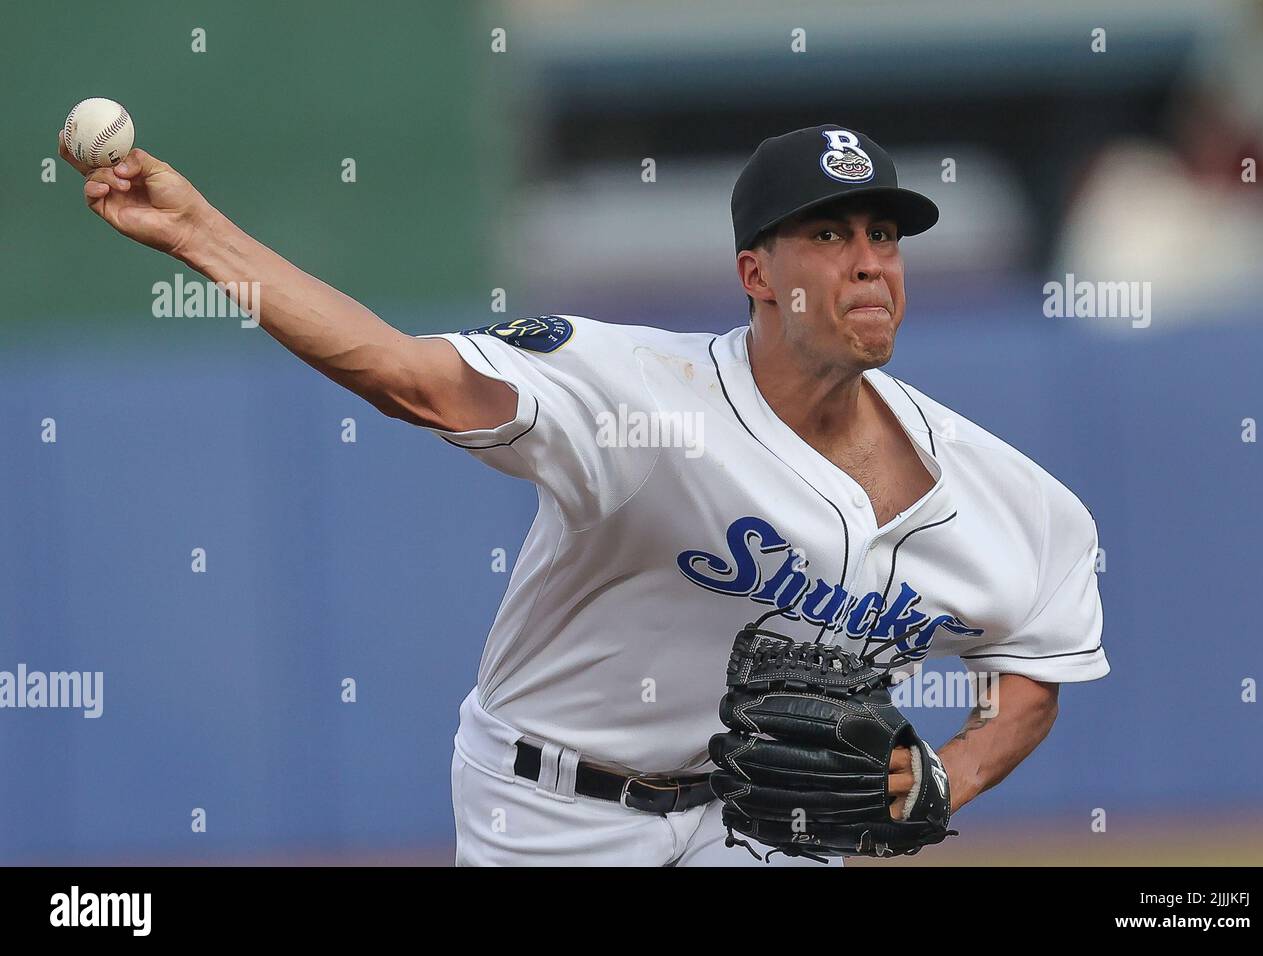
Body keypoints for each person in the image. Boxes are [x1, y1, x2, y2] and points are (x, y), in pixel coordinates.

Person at [62, 123, 1109, 867]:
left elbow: (1027, 669)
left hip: (763, 822)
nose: (869, 263)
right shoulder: (633, 390)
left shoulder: (1008, 497)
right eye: (829, 236)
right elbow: (404, 376)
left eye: (884, 235)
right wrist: (199, 234)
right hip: (549, 803)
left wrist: (946, 778)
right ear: (755, 271)